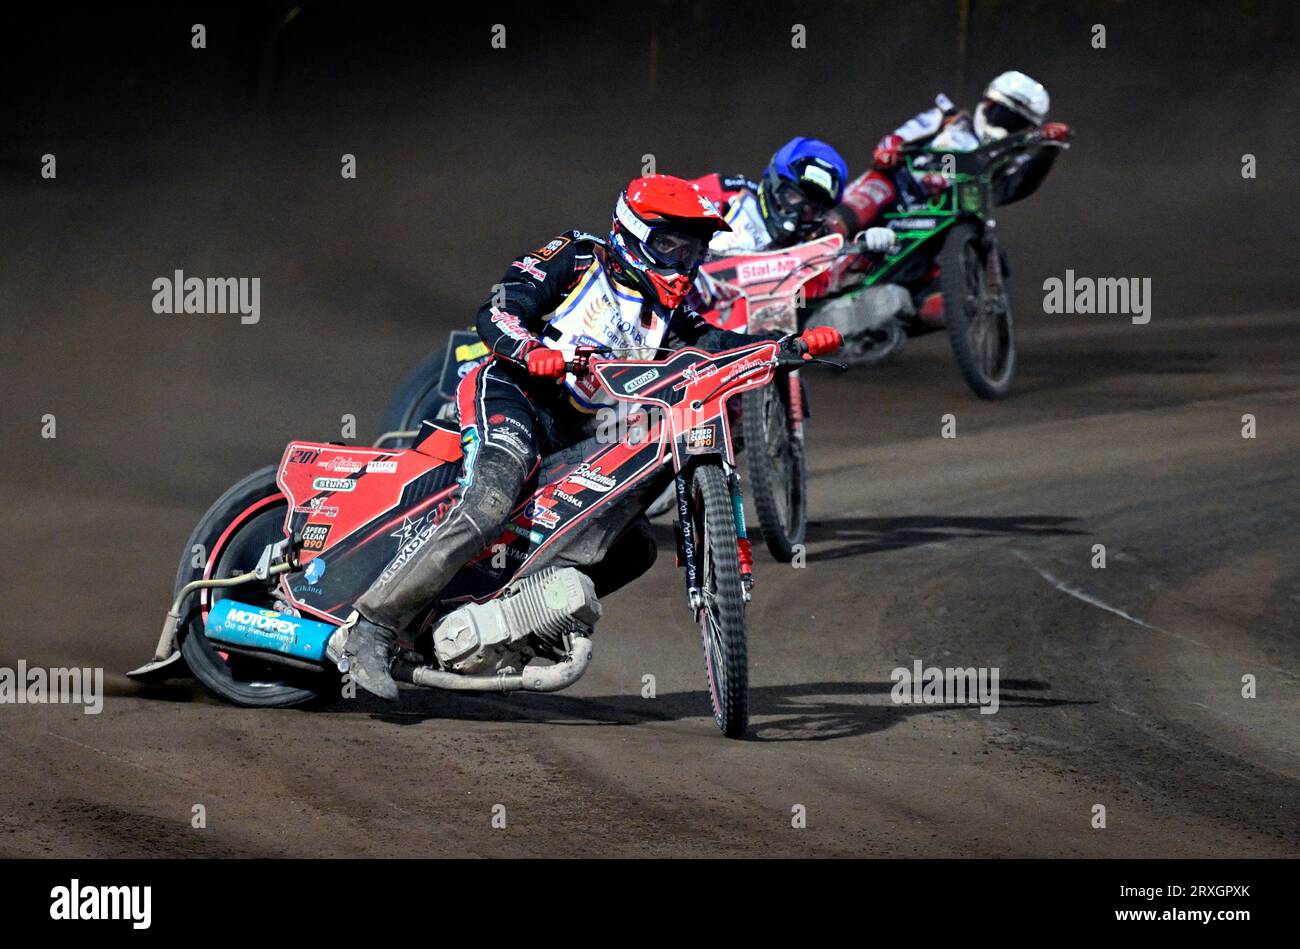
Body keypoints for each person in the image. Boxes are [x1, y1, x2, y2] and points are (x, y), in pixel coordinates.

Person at [340, 174, 842, 699]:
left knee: (636, 548)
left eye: (691, 248)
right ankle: (370, 630)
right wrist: (530, 349)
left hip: (579, 427)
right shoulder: (579, 258)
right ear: (631, 233)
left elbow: (716, 343)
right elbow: (498, 308)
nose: (681, 259)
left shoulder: (666, 311)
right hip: (513, 395)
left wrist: (790, 345)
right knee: (488, 504)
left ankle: (524, 621)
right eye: (668, 243)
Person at [808, 70, 1071, 360]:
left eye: (1017, 123)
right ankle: (811, 245)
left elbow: (1015, 187)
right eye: (1004, 116)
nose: (1005, 127)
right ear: (988, 104)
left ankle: (887, 316)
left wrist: (1048, 152)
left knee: (955, 300)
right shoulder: (945, 119)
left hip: (942, 226)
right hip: (897, 194)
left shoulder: (1012, 156)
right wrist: (890, 148)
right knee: (873, 191)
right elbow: (892, 142)